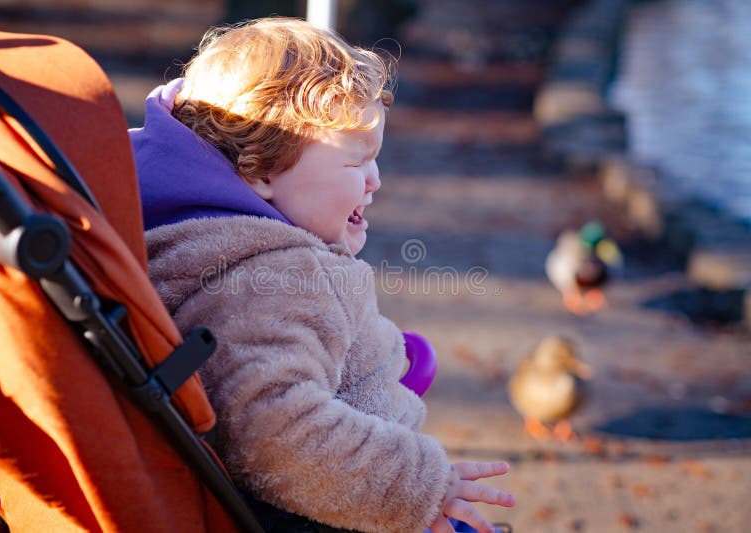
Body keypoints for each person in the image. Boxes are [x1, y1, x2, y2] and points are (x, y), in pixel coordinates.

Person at [131, 17, 514, 533]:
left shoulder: (194, 238)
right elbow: (271, 430)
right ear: (261, 169)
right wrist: (418, 484)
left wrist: (368, 357)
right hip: (345, 512)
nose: (375, 180)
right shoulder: (277, 276)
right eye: (357, 162)